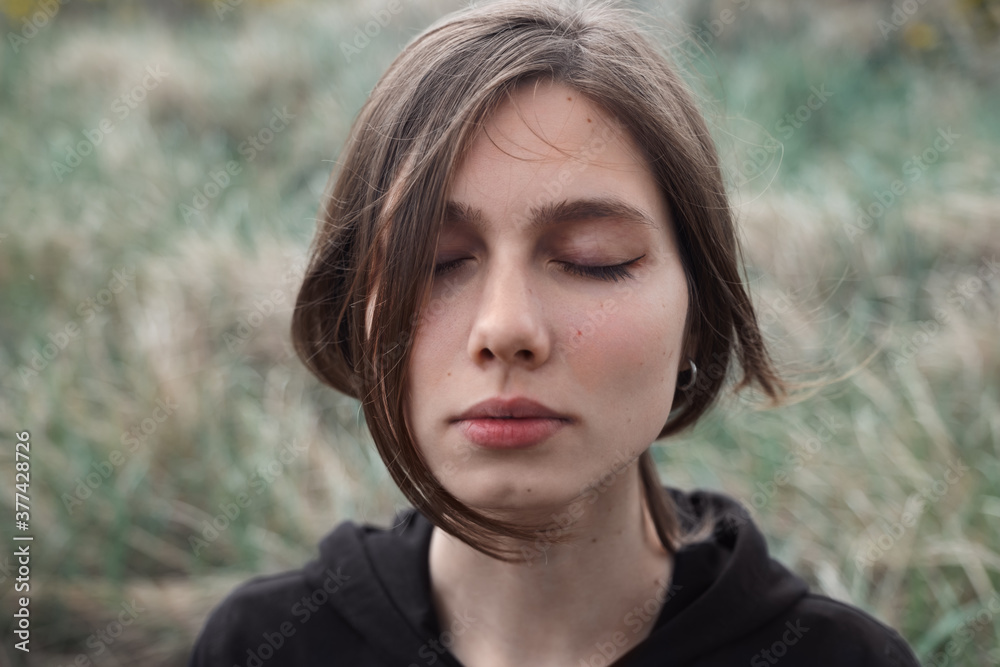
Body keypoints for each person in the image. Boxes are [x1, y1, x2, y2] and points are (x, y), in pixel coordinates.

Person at [188, 1, 922, 665]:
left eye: (590, 261)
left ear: (699, 314)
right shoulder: (261, 644)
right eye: (436, 262)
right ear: (357, 304)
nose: (506, 328)